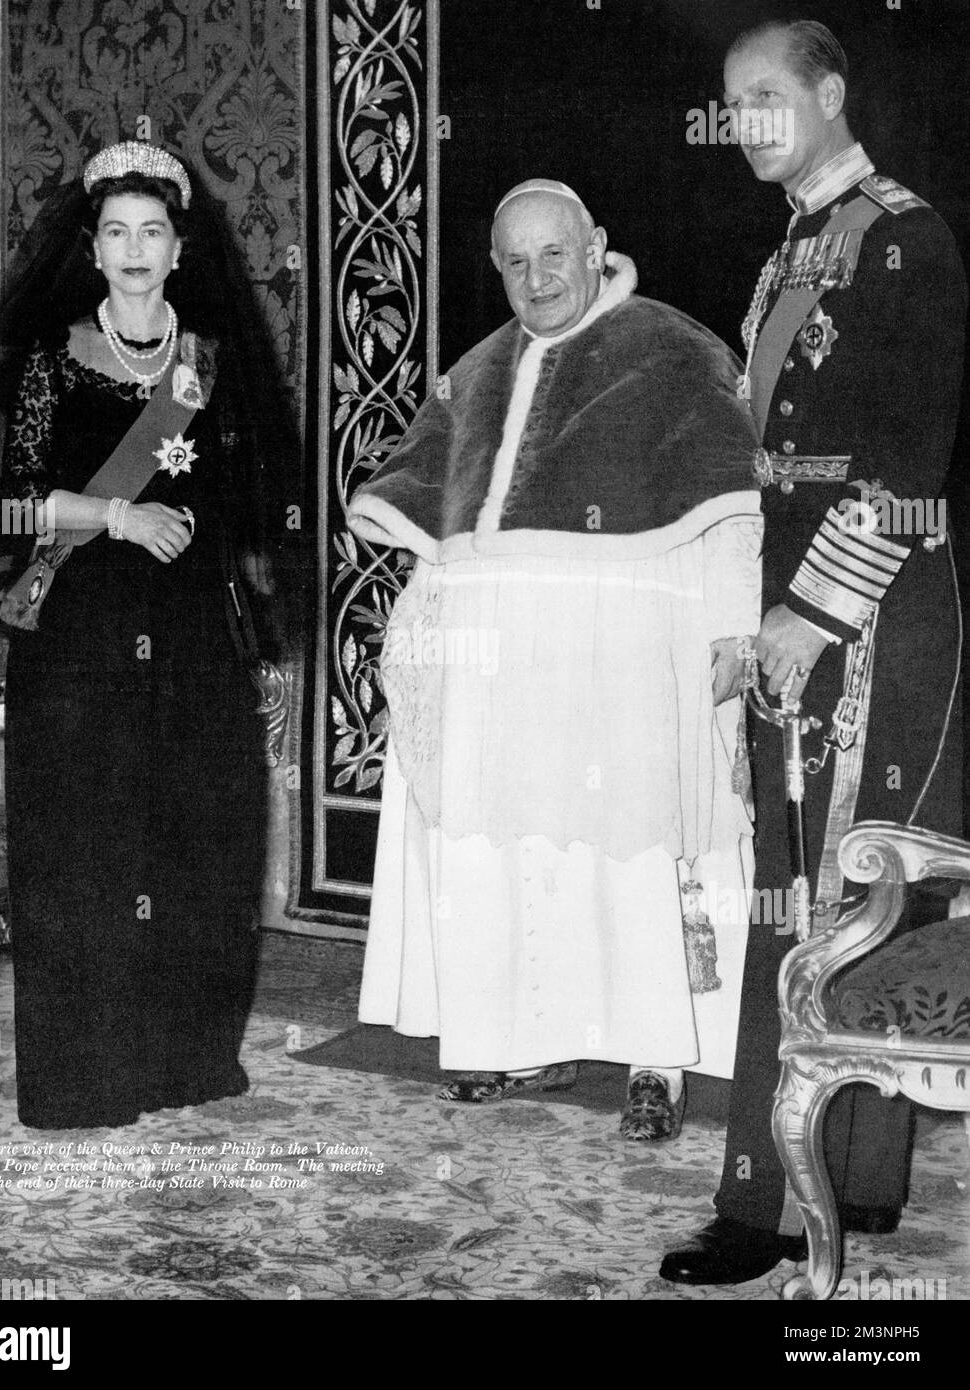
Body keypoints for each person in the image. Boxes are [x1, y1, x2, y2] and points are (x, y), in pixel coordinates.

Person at [347, 179, 763, 1140]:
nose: (536, 279)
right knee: (511, 854)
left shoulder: (672, 348)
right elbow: (432, 517)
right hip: (498, 671)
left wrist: (733, 631)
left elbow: (733, 510)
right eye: (514, 262)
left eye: (554, 255)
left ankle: (656, 1062)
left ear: (595, 244)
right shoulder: (480, 367)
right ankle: (520, 1036)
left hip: (624, 661)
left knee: (629, 850)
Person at [661, 21, 966, 1283]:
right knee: (803, 884)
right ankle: (851, 1182)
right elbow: (769, 456)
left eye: (767, 97)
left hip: (877, 608)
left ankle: (765, 1210)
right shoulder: (795, 243)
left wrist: (808, 612)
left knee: (830, 893)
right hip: (803, 593)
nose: (744, 123)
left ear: (829, 95)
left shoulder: (903, 239)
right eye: (730, 106)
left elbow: (905, 468)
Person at [0, 141, 299, 1130]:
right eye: (116, 232)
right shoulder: (47, 361)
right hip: (79, 634)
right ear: (93, 249)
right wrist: (114, 517)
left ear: (179, 248)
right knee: (87, 847)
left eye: (153, 230)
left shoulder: (211, 364)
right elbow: (7, 507)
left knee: (190, 842)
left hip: (190, 633)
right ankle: (85, 1076)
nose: (135, 248)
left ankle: (180, 1061)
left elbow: (244, 498)